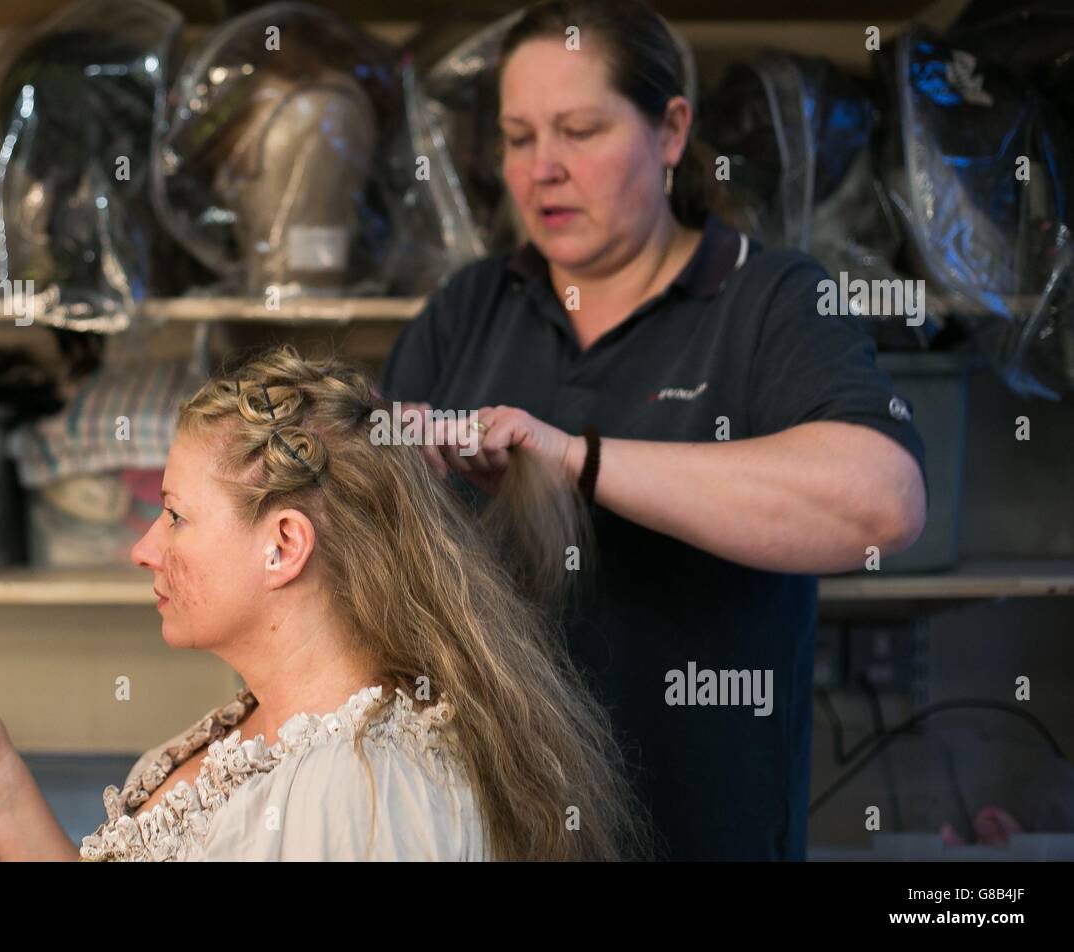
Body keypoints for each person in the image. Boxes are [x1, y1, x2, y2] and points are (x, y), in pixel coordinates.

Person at [380, 0, 929, 860]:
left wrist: (574, 460)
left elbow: (883, 503)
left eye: (580, 130)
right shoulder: (472, 306)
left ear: (671, 130)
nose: (542, 170)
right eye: (519, 138)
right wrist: (388, 463)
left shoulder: (766, 301)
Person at [0, 346, 648, 861]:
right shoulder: (263, 735)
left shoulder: (362, 788)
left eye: (176, 516)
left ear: (283, 545)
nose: (144, 548)